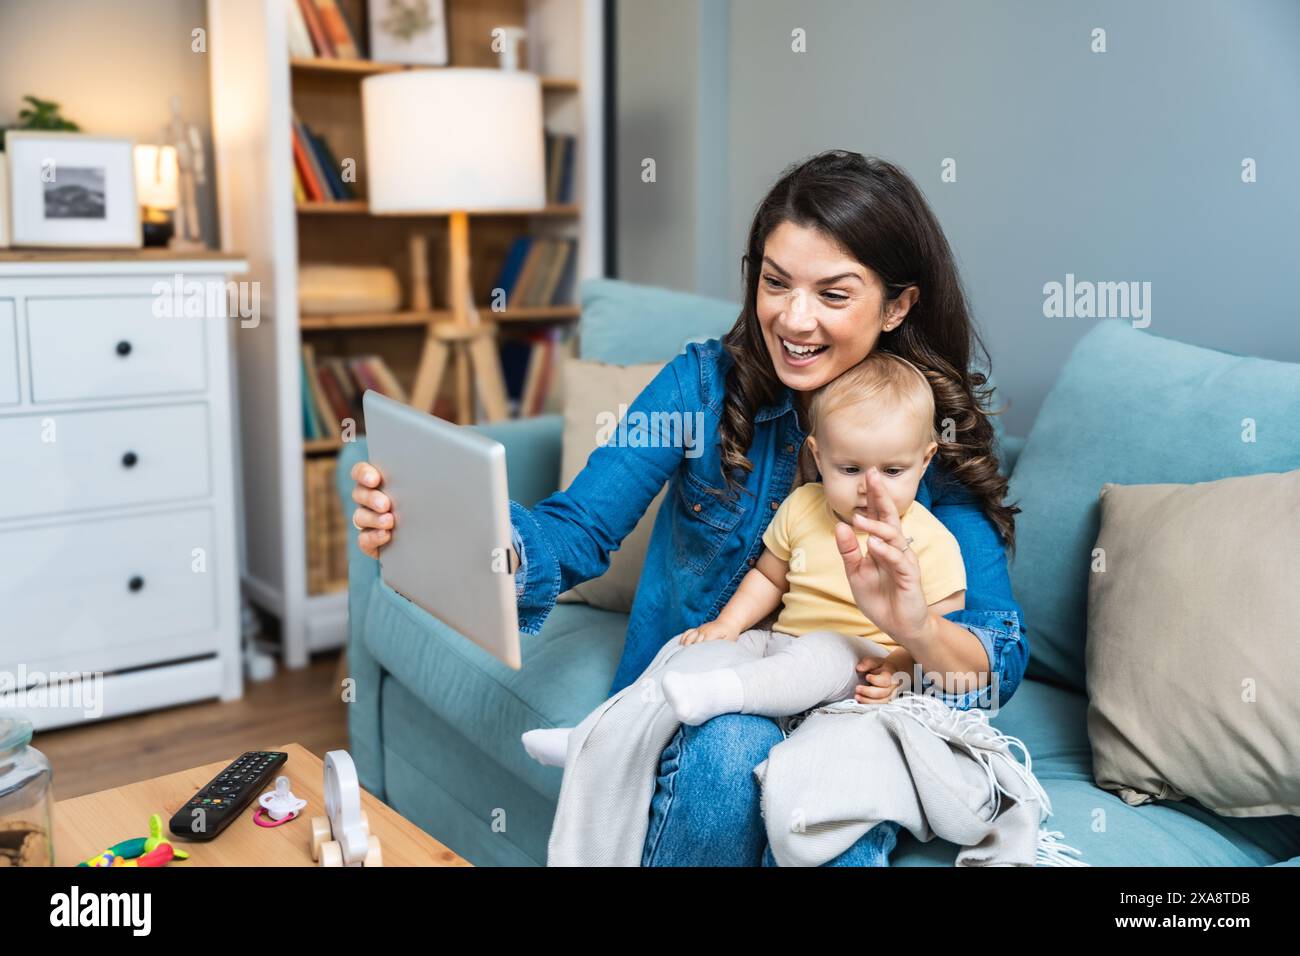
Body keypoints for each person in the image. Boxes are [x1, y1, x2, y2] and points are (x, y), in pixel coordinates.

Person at [349, 149, 1028, 866]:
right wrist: (454, 532)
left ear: (897, 305)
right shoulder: (702, 390)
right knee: (730, 738)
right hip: (708, 697)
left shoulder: (927, 435)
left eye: (834, 294)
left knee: (828, 803)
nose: (793, 320)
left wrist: (914, 630)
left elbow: (993, 655)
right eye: (775, 283)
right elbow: (579, 527)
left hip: (857, 711)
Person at [521, 349, 967, 765]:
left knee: (826, 651)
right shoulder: (804, 507)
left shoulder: (932, 541)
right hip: (779, 648)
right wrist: (728, 626)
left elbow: (937, 631)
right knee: (690, 652)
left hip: (854, 670)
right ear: (819, 454)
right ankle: (597, 740)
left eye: (892, 471)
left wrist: (896, 669)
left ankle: (724, 695)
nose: (871, 488)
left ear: (925, 460)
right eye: (849, 469)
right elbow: (769, 579)